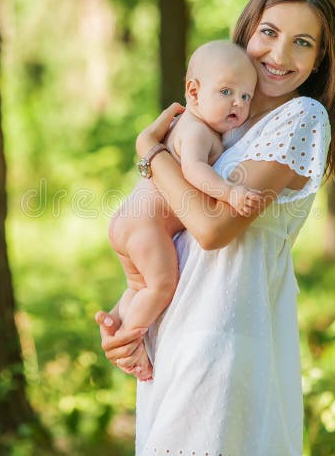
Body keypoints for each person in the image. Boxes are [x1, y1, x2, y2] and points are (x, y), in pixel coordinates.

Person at [96, 0, 335, 455]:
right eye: (269, 33)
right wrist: (132, 314)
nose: (278, 56)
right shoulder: (227, 116)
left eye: (302, 43)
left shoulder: (301, 118)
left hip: (223, 334)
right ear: (248, 29)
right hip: (180, 331)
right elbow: (175, 225)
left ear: (320, 61)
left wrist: (150, 152)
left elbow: (211, 229)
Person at [107, 40, 262, 381]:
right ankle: (131, 347)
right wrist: (230, 193)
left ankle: (118, 322)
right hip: (147, 226)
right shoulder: (196, 130)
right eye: (226, 92)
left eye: (246, 96)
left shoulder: (196, 126)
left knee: (140, 287)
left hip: (134, 224)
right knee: (161, 287)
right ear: (193, 92)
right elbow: (192, 170)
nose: (238, 102)